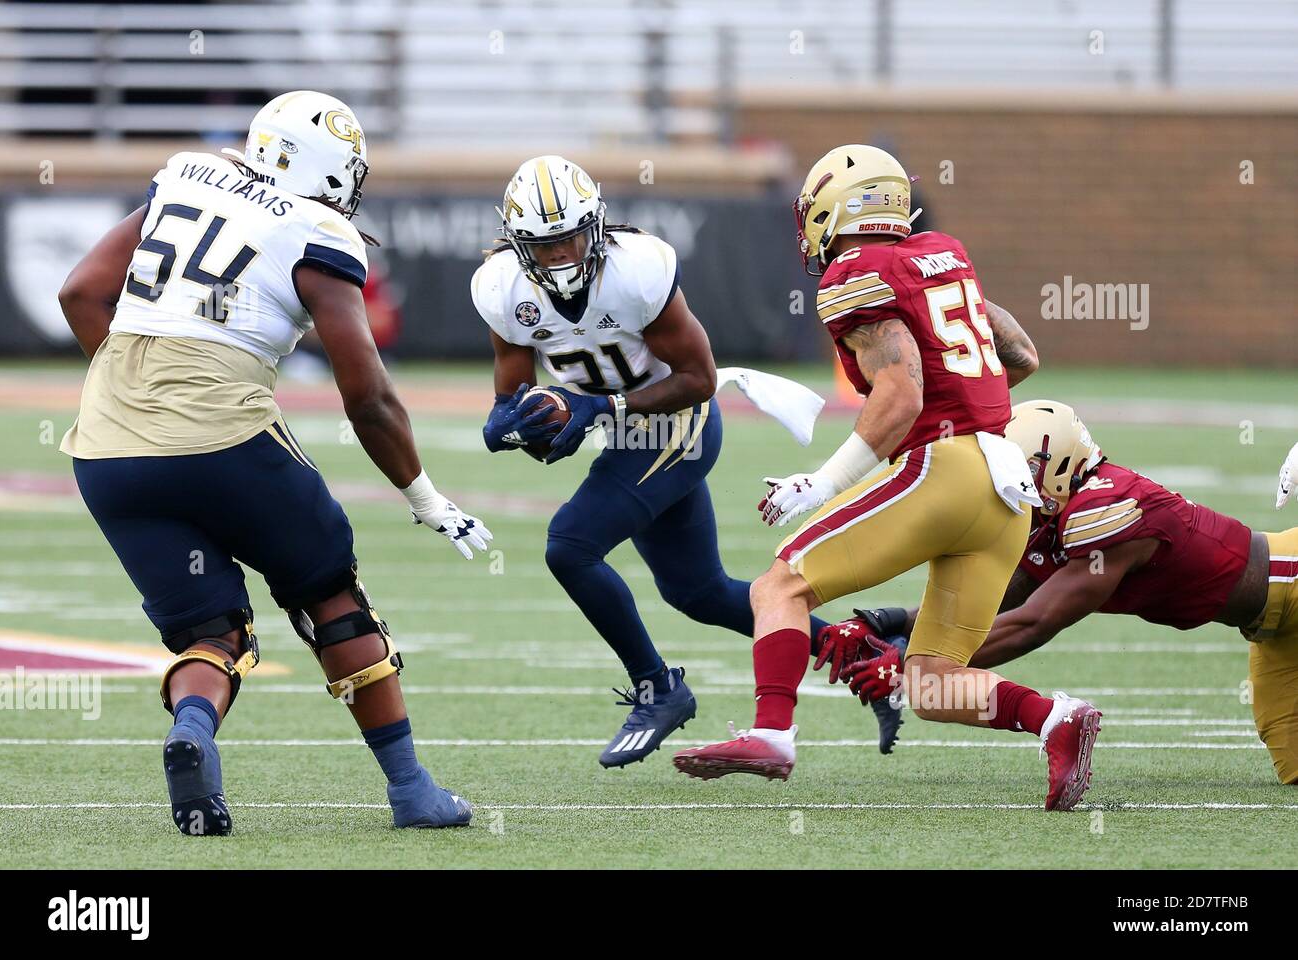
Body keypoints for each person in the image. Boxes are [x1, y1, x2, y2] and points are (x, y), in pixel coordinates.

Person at [57, 90, 490, 834]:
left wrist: (140, 396)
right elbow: (369, 396)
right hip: (222, 437)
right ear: (332, 172)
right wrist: (424, 496)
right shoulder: (315, 228)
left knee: (213, 632)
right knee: (330, 598)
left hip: (105, 447)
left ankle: (192, 729)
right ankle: (411, 790)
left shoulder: (188, 176)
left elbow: (79, 291)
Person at [674, 145, 1102, 812]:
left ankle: (772, 735)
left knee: (779, 585)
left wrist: (822, 482)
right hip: (1006, 492)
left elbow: (899, 393)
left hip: (949, 470)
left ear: (837, 209)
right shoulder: (942, 255)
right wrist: (961, 405)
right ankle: (1055, 718)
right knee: (930, 682)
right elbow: (1019, 354)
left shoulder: (857, 271)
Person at [471, 155, 837, 767]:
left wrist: (600, 407)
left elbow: (699, 378)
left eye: (569, 239)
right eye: (544, 244)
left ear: (596, 227)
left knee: (569, 545)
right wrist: (509, 424)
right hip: (626, 434)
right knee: (701, 593)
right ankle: (864, 650)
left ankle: (657, 688)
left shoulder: (637, 271)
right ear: (517, 245)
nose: (561, 255)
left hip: (679, 426)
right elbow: (514, 391)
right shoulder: (500, 287)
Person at [826, 400, 1298, 785]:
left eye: (1019, 468)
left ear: (1055, 465)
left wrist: (913, 665)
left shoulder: (1106, 508)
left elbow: (1034, 623)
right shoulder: (1059, 519)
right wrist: (890, 622)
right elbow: (1002, 595)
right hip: (1267, 629)